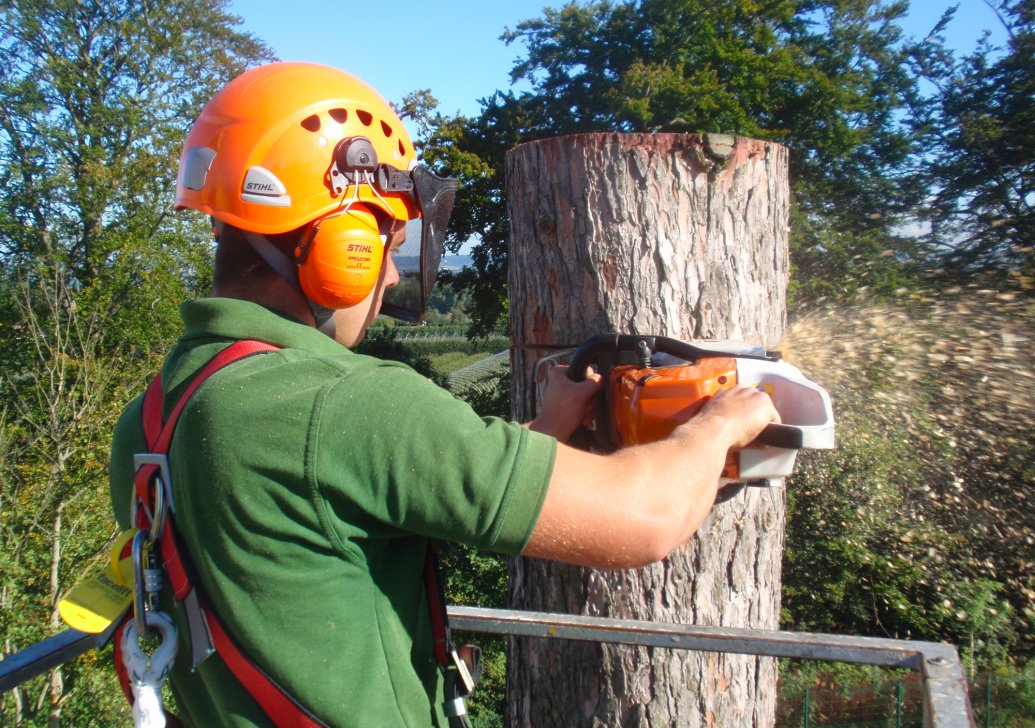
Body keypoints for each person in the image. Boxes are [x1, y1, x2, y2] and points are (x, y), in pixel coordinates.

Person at [108, 61, 779, 728]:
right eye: (388, 243)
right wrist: (722, 421)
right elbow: (644, 519)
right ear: (341, 245)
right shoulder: (347, 407)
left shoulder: (156, 415)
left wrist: (543, 428)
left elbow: (379, 503)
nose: (393, 280)